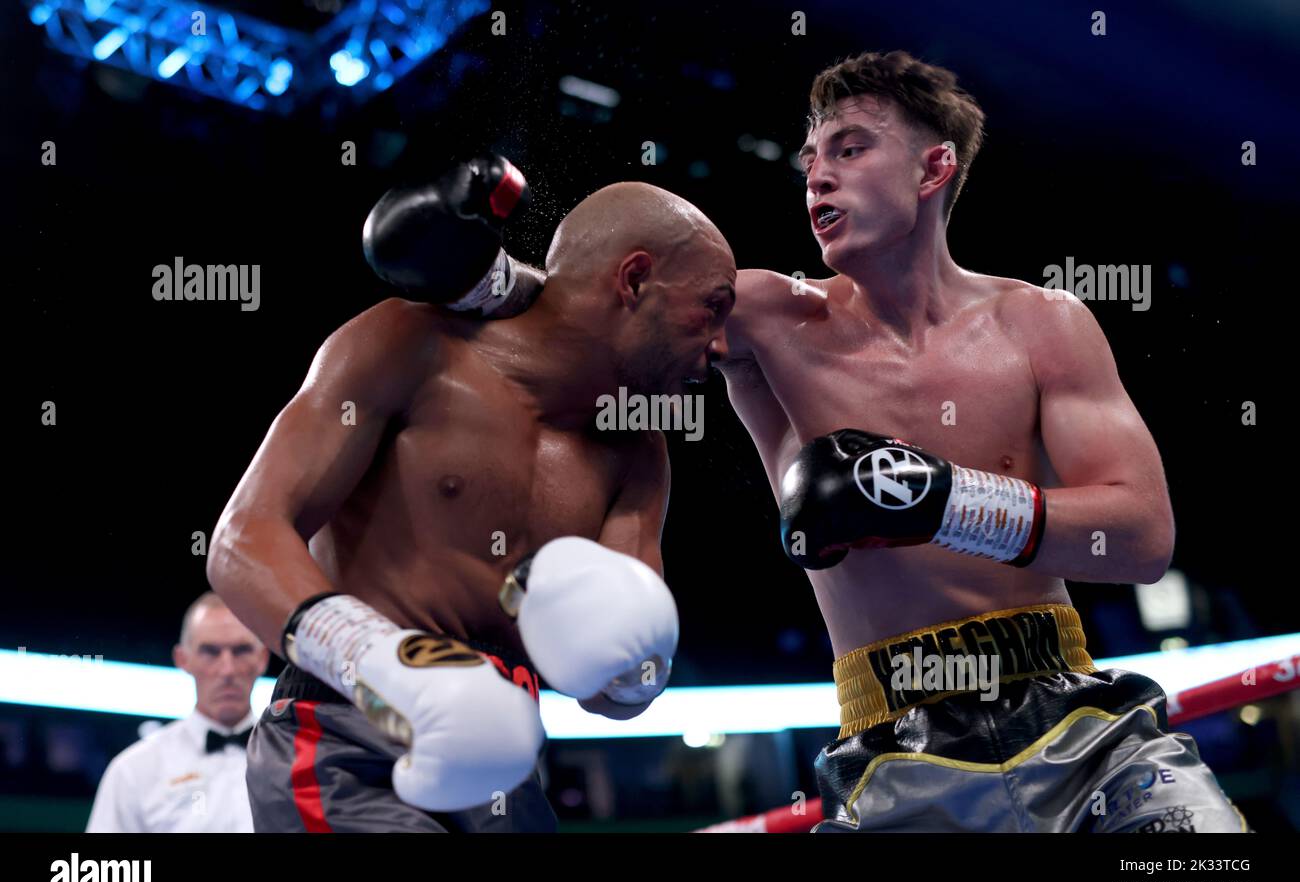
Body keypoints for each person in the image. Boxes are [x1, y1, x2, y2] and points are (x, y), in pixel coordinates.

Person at [720, 50, 1245, 832]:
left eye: (850, 148)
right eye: (811, 160)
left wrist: (943, 500)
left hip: (1081, 731)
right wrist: (485, 279)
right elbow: (605, 311)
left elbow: (1141, 537)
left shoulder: (1044, 322)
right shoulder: (766, 316)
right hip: (895, 758)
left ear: (933, 168)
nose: (817, 177)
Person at [207, 157, 734, 831]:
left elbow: (617, 687)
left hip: (503, 767)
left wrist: (639, 674)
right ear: (633, 279)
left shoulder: (639, 451)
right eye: (712, 308)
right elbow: (242, 539)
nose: (720, 344)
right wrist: (387, 664)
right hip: (347, 732)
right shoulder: (410, 343)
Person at [86, 592, 268, 832]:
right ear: (183, 659)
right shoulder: (134, 770)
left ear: (262, 658)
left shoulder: (294, 757)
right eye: (210, 651)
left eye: (241, 650)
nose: (227, 670)